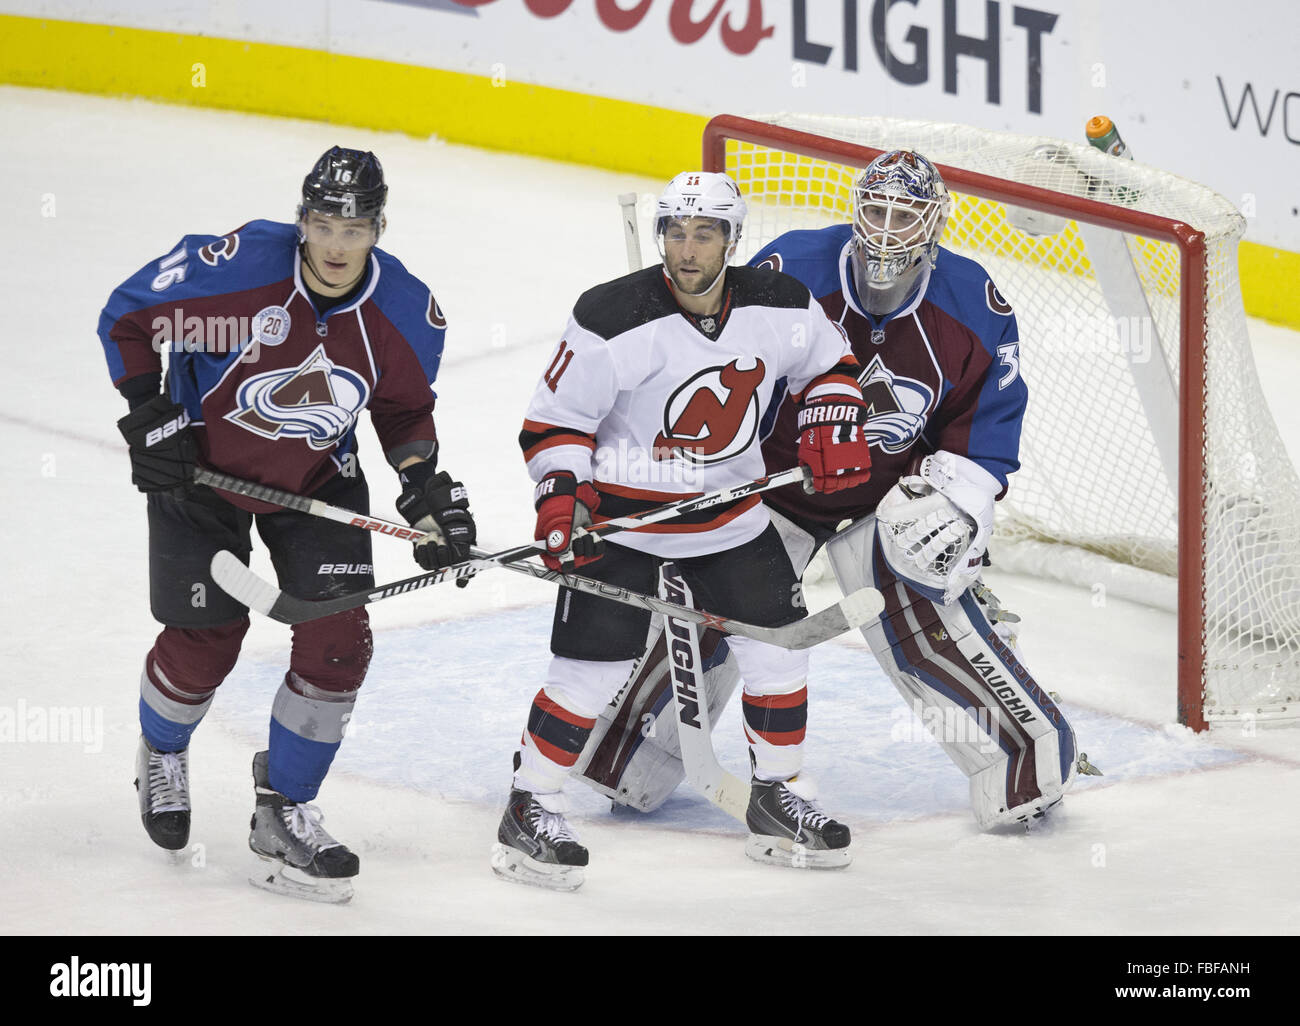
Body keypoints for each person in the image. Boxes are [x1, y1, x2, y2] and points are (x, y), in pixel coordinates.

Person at [577, 150, 1081, 831]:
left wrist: (961, 501)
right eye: (876, 210)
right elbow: (714, 369)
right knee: (713, 608)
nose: (887, 230)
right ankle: (629, 753)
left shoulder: (973, 303)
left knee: (924, 611)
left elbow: (985, 425)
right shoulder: (794, 271)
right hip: (771, 486)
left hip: (889, 502)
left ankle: (1023, 762)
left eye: (905, 216)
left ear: (935, 224)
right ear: (854, 210)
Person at [99, 146, 476, 903]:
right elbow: (128, 319)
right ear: (301, 220)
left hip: (316, 480)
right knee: (207, 638)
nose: (337, 245)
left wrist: (423, 486)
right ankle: (163, 750)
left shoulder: (404, 310)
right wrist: (150, 414)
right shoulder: (235, 271)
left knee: (339, 644)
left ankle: (285, 810)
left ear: (379, 230)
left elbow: (404, 409)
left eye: (355, 229)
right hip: (200, 474)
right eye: (324, 225)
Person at [491, 171, 874, 891]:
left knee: (780, 654)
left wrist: (831, 416)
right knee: (589, 673)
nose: (687, 249)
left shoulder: (781, 304)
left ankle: (777, 793)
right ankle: (531, 802)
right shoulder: (611, 315)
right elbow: (555, 423)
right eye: (674, 232)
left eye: (704, 234)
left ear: (732, 240)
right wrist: (562, 498)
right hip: (624, 521)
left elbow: (830, 365)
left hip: (732, 514)